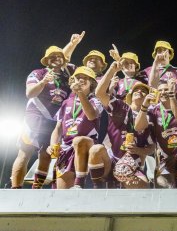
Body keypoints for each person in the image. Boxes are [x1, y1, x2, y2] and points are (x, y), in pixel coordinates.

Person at [10, 32, 84, 189]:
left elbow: (66, 58)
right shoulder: (38, 73)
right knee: (25, 152)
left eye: (59, 56)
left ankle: (36, 189)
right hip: (35, 117)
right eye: (52, 57)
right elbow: (29, 93)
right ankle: (15, 189)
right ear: (46, 61)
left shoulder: (68, 72)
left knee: (46, 155)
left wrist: (73, 44)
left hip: (55, 120)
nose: (57, 59)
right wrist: (43, 82)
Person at [91, 61, 155, 188]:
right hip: (112, 159)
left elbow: (152, 147)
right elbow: (99, 93)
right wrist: (111, 70)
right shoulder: (120, 106)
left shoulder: (150, 117)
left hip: (132, 162)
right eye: (137, 89)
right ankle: (97, 188)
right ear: (130, 95)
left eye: (144, 90)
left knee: (143, 186)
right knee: (96, 149)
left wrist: (138, 150)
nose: (140, 91)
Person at [47, 66, 103, 189]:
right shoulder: (66, 102)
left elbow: (91, 115)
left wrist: (80, 93)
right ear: (73, 81)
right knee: (62, 193)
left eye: (85, 78)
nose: (81, 80)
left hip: (87, 145)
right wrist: (52, 144)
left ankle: (80, 183)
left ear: (92, 83)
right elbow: (58, 128)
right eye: (78, 77)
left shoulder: (96, 100)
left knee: (80, 140)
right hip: (67, 147)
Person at [135, 78, 177, 188]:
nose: (163, 92)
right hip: (165, 158)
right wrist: (144, 106)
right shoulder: (153, 110)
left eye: (166, 89)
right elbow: (138, 127)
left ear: (172, 90)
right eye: (160, 90)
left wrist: (172, 97)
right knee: (164, 189)